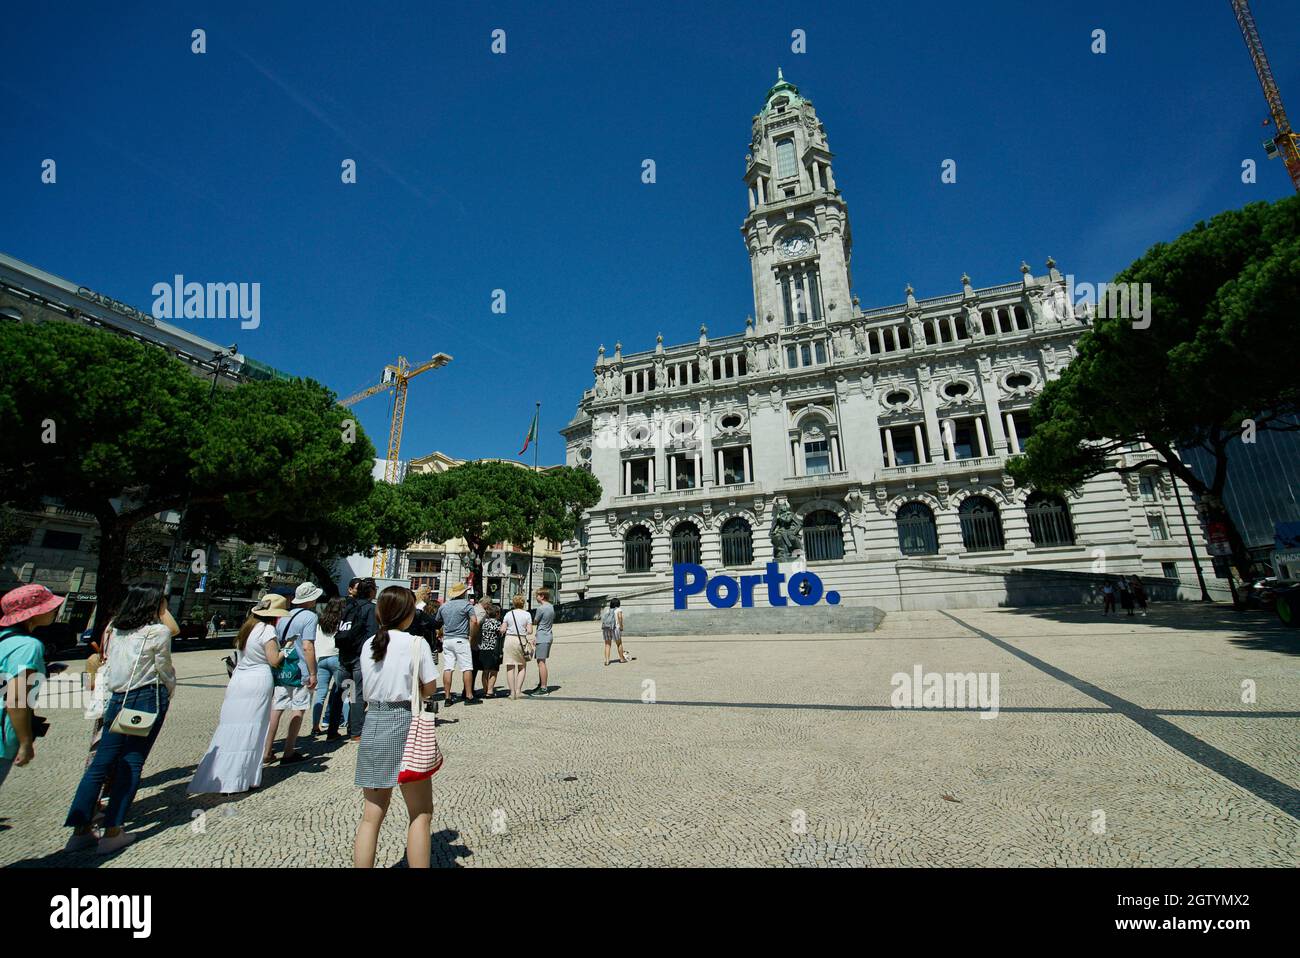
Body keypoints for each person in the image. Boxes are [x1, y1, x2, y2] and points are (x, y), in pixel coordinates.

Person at [65, 584, 178, 854]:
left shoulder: (116, 630)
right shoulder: (157, 631)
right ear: (154, 606)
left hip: (116, 698)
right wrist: (170, 690)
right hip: (145, 697)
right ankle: (113, 830)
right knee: (132, 760)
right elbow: (163, 668)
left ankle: (80, 830)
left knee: (101, 763)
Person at [353, 586, 439, 868]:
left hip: (374, 722)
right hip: (404, 723)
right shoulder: (417, 644)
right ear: (408, 614)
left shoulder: (369, 644)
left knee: (371, 815)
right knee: (420, 812)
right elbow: (429, 688)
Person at [189, 597, 290, 795]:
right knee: (252, 729)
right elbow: (274, 660)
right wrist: (286, 649)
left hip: (239, 680)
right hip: (257, 681)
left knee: (230, 727)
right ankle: (241, 777)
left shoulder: (247, 628)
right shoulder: (267, 630)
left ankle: (220, 774)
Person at [0, 585, 60, 791]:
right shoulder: (29, 646)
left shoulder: (5, 639)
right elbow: (16, 699)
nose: (55, 610)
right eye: (49, 606)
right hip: (2, 733)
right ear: (33, 614)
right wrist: (25, 742)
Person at [263, 582, 322, 765]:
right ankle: (289, 751)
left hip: (283, 666)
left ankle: (266, 751)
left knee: (277, 708)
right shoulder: (309, 617)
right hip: (300, 668)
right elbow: (307, 646)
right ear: (311, 598)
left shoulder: (284, 616)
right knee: (298, 708)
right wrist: (313, 672)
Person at [334, 578, 378, 742]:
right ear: (371, 591)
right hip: (359, 656)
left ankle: (333, 729)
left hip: (345, 654)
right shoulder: (370, 608)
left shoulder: (348, 606)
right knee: (358, 694)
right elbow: (372, 635)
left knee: (343, 692)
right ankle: (355, 731)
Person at [434, 582, 480, 706]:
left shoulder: (444, 606)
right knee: (466, 667)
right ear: (463, 593)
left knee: (448, 667)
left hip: (448, 639)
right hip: (461, 639)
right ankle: (469, 696)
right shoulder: (467, 605)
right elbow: (474, 621)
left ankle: (447, 697)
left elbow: (437, 622)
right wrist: (471, 636)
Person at [312, 596, 348, 738]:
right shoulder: (341, 621)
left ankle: (316, 725)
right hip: (336, 657)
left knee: (320, 693)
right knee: (342, 691)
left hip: (321, 658)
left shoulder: (320, 621)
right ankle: (342, 720)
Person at [501, 595, 534, 701]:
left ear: (513, 603)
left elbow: (503, 629)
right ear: (523, 603)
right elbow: (530, 631)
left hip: (510, 640)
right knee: (522, 666)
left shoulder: (508, 614)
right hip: (521, 640)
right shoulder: (527, 614)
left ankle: (512, 692)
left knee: (510, 667)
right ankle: (518, 690)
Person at [526, 588, 556, 696]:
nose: (536, 597)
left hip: (542, 637)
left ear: (542, 596)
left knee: (541, 663)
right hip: (547, 635)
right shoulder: (551, 607)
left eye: (537, 595)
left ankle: (543, 688)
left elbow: (535, 621)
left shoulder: (541, 608)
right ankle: (541, 684)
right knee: (541, 662)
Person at [476, 602, 504, 698]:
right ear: (497, 614)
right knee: (494, 671)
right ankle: (490, 690)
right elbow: (501, 634)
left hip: (483, 649)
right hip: (494, 650)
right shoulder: (498, 624)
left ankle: (485, 689)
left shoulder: (484, 623)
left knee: (485, 671)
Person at [602, 598, 626, 666]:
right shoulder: (619, 609)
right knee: (619, 643)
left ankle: (607, 661)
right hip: (615, 628)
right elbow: (620, 617)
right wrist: (621, 626)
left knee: (607, 645)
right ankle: (621, 659)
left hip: (606, 628)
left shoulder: (608, 610)